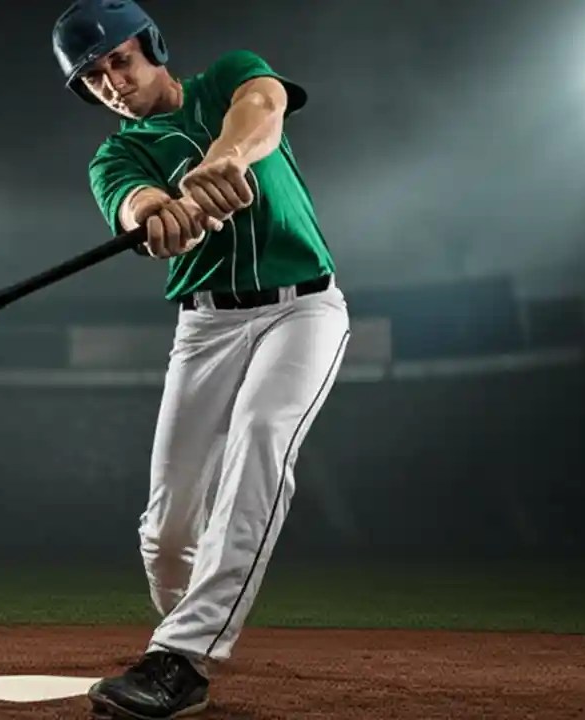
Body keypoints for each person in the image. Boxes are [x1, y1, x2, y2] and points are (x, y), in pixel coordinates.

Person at [52, 1, 351, 717]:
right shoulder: (116, 155)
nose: (111, 83)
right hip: (206, 329)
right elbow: (135, 208)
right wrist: (162, 216)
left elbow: (264, 106)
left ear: (150, 44)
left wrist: (224, 158)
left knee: (260, 438)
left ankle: (180, 660)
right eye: (93, 77)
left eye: (119, 60)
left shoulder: (227, 78)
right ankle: (187, 624)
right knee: (167, 533)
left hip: (302, 309)